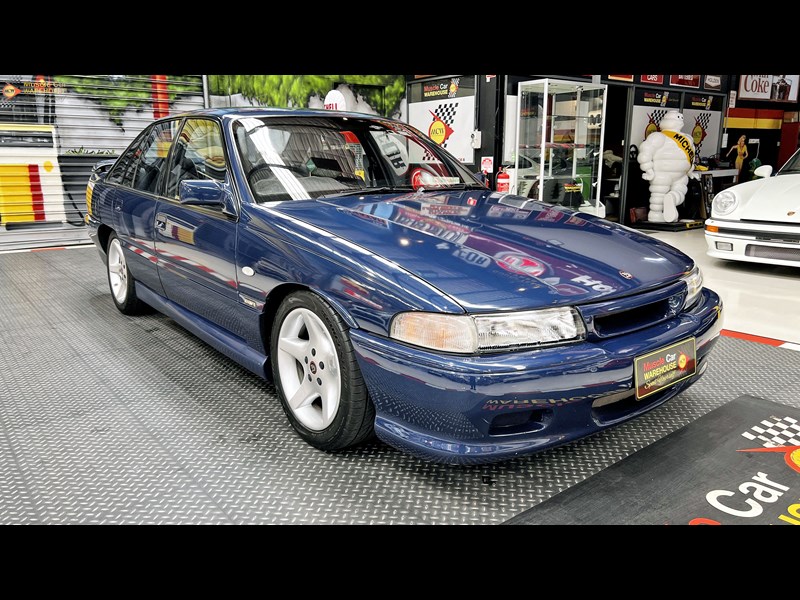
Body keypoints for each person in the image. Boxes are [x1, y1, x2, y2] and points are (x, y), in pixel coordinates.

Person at [637, 110, 700, 223]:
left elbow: (691, 156)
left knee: (664, 193)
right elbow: (646, 152)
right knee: (664, 193)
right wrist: (648, 169)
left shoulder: (687, 138)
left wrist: (647, 168)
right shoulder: (659, 136)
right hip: (666, 172)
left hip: (672, 173)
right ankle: (658, 212)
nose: (680, 119)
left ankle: (670, 200)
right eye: (678, 117)